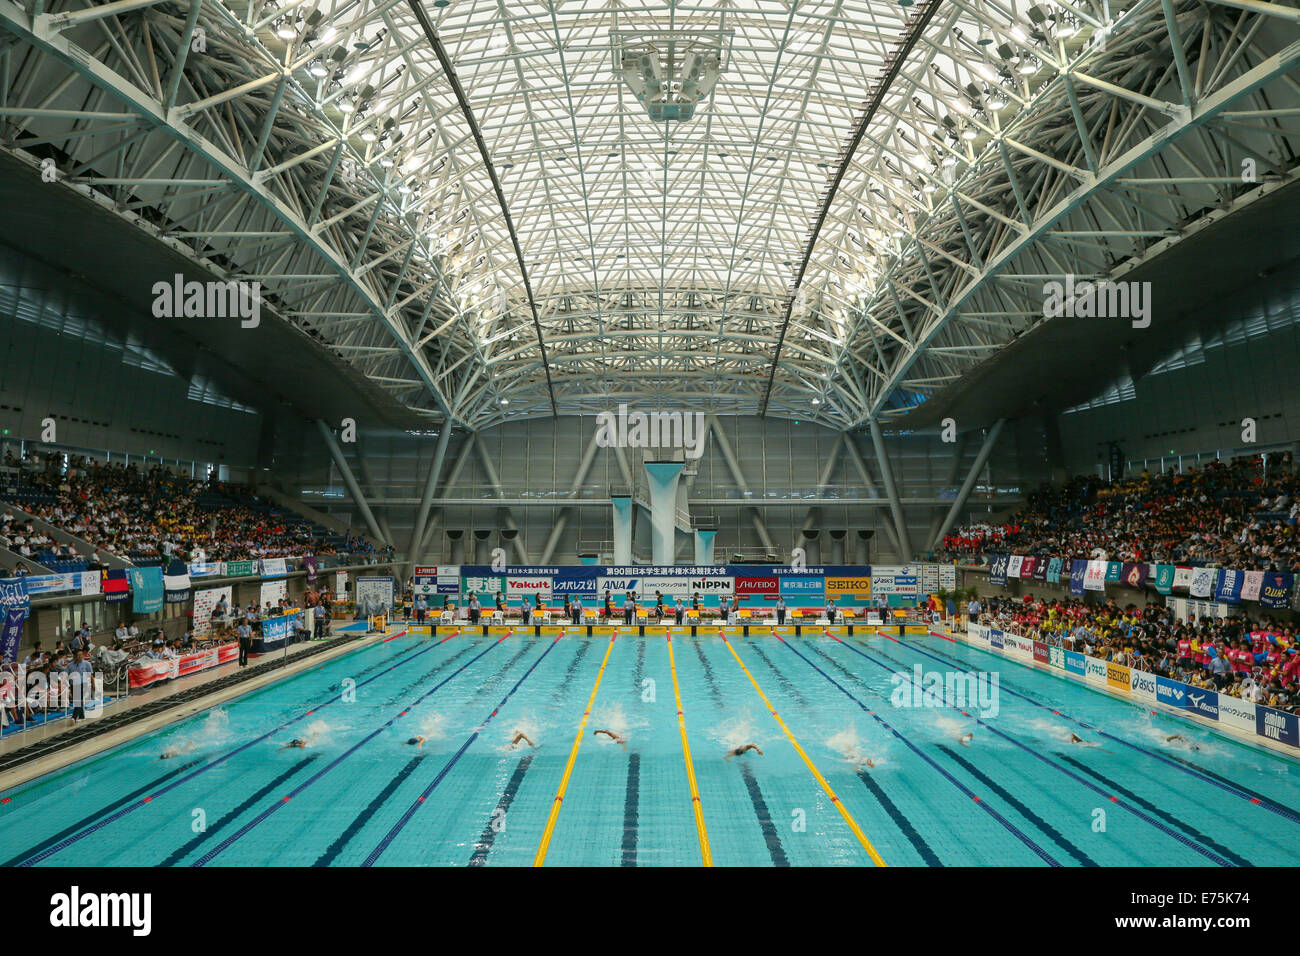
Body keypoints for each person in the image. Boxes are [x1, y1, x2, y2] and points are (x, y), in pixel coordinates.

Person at [63, 649, 95, 723]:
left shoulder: (87, 664)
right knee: (77, 701)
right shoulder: (70, 665)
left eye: (81, 655)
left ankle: (74, 717)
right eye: (78, 655)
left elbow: (91, 675)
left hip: (83, 684)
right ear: (74, 656)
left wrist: (93, 684)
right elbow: (65, 674)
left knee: (78, 701)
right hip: (73, 685)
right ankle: (82, 716)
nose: (80, 656)